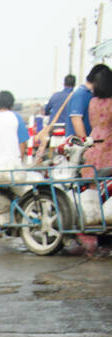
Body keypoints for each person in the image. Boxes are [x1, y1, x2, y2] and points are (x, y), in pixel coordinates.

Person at [75, 65, 112, 255]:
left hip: (93, 148)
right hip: (108, 150)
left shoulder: (93, 102)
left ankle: (99, 238)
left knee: (94, 195)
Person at [67, 64, 107, 140]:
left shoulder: (90, 94)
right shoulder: (81, 94)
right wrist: (86, 143)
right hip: (78, 144)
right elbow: (76, 119)